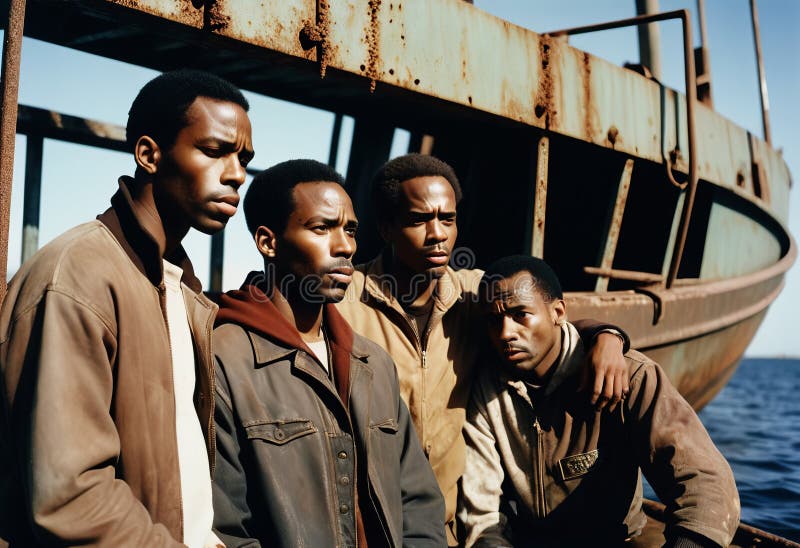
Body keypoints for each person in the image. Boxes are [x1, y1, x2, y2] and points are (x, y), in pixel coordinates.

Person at [0, 69, 254, 546]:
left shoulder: (177, 288)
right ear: (149, 155)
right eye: (215, 151)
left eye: (244, 158)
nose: (237, 174)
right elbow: (71, 498)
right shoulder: (79, 276)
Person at [335, 153, 631, 542]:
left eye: (448, 219)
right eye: (420, 220)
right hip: (371, 528)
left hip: (453, 529)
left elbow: (551, 318)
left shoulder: (477, 294)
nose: (438, 233)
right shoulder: (343, 303)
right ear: (387, 227)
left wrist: (608, 336)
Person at [212, 159, 445, 547]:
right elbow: (225, 527)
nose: (345, 247)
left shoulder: (372, 362)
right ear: (268, 242)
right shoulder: (225, 360)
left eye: (350, 229)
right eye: (322, 228)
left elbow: (419, 502)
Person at [459, 255, 740, 547]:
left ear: (558, 312)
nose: (506, 333)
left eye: (520, 315)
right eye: (494, 320)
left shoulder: (631, 375)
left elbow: (707, 486)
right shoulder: (486, 391)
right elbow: (483, 513)